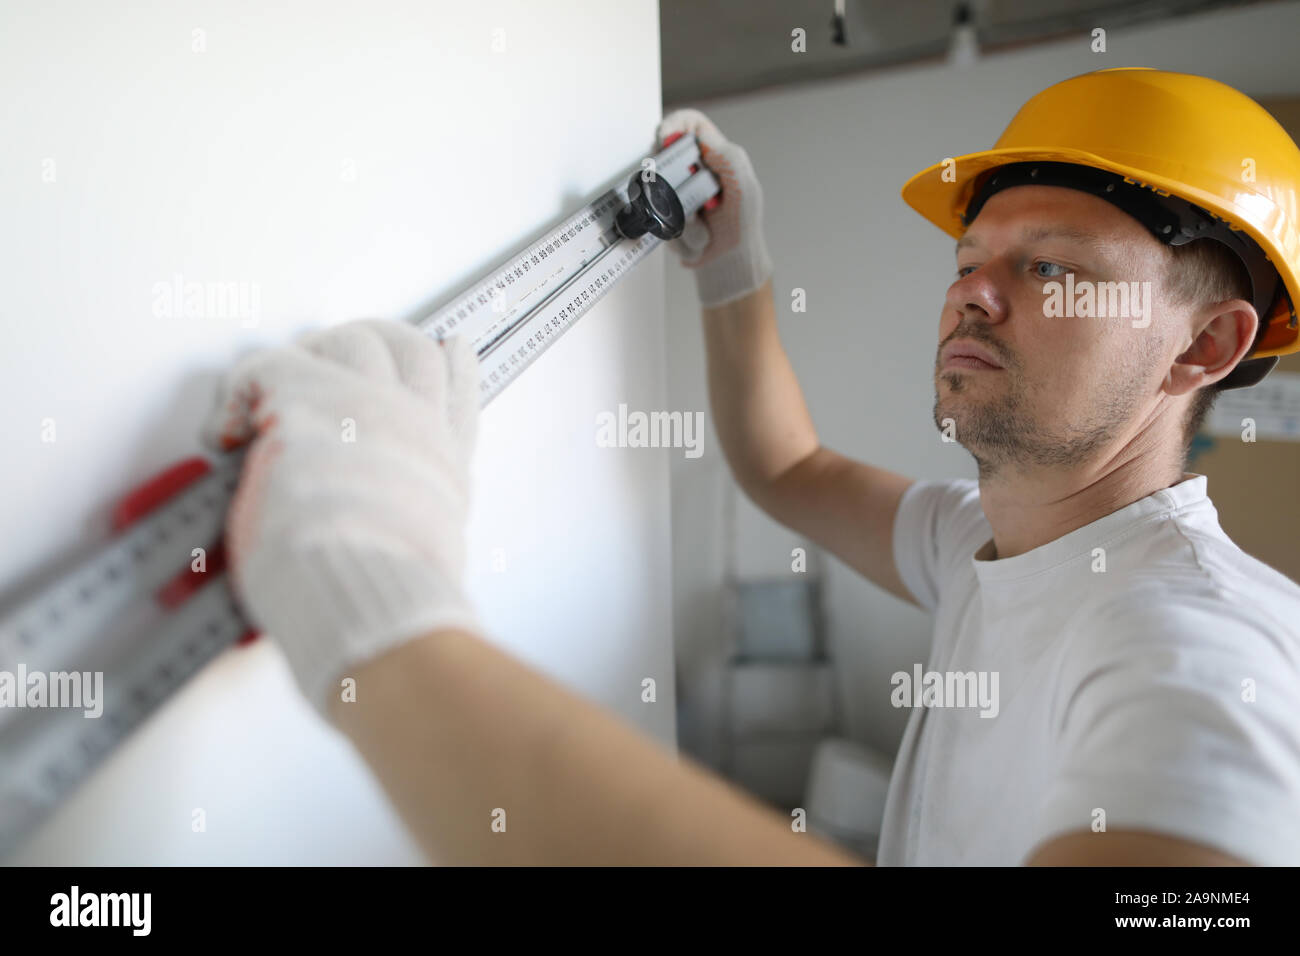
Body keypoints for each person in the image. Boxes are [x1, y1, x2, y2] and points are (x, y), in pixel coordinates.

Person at [205, 68, 1300, 866]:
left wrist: (370, 593)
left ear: (1203, 347)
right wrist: (736, 273)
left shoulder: (1197, 646)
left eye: (1050, 267)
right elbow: (787, 465)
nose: (973, 291)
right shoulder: (987, 541)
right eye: (969, 259)